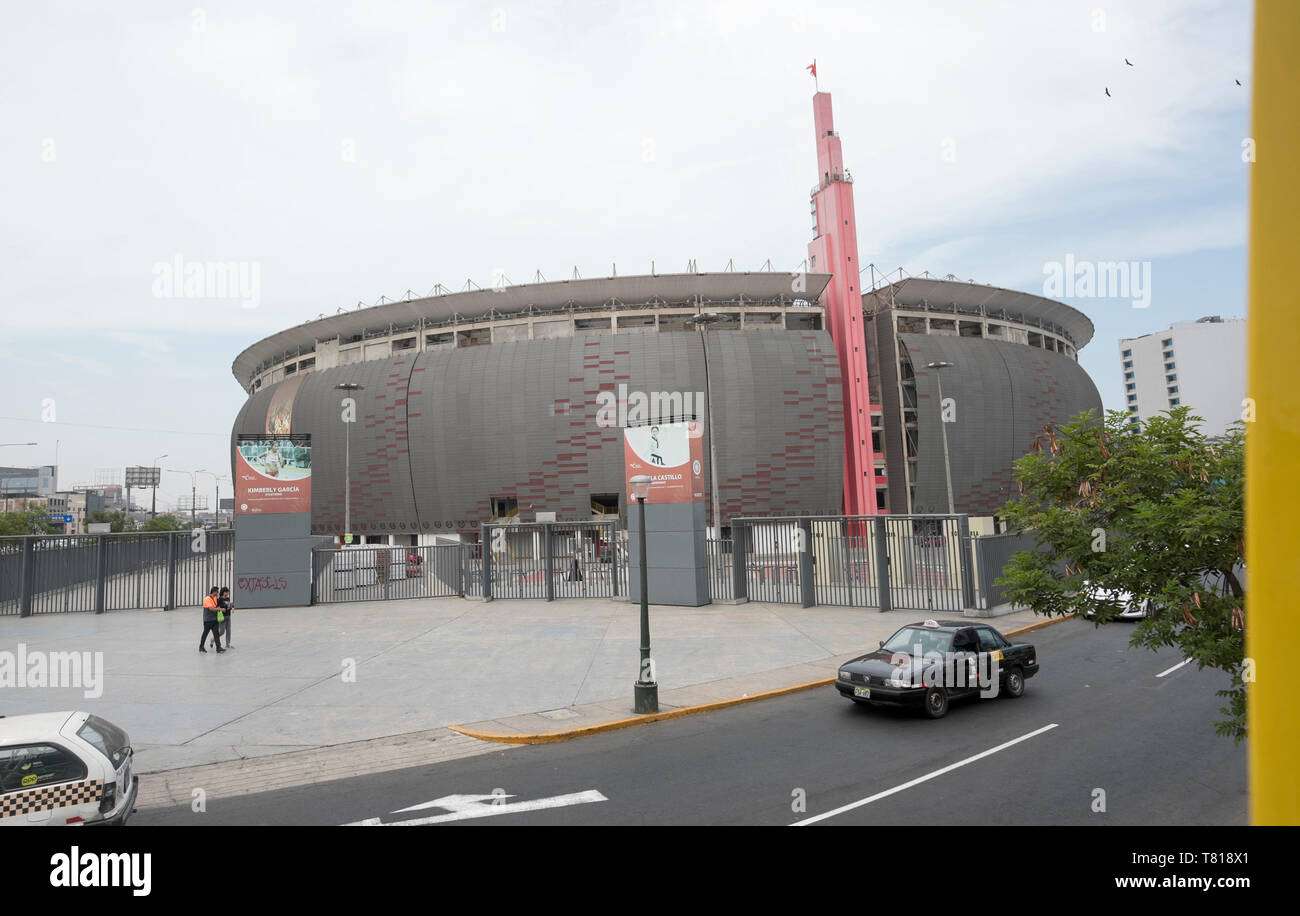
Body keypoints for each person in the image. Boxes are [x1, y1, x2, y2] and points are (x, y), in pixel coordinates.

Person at [200, 587, 225, 653]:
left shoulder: (215, 598)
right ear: (214, 592)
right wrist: (220, 609)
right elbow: (211, 608)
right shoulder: (207, 599)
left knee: (216, 634)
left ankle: (218, 647)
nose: (218, 593)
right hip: (208, 620)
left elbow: (216, 605)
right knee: (205, 634)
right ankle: (201, 647)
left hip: (214, 619)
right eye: (217, 592)